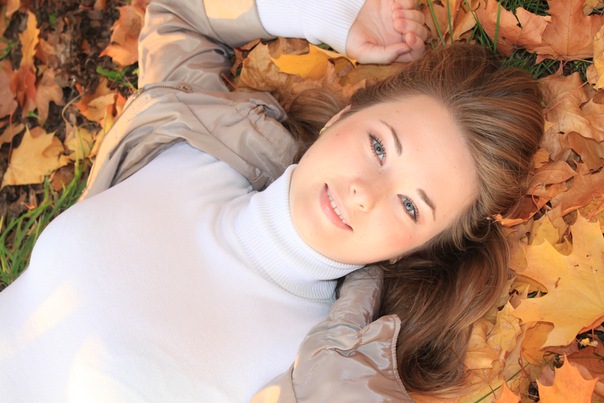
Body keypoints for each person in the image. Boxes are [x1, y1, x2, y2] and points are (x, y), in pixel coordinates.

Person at [0, 0, 543, 402]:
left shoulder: (315, 371)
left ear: (415, 249)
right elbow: (178, 14)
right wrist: (336, 17)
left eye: (410, 207)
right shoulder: (201, 139)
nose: (365, 193)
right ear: (341, 118)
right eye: (379, 146)